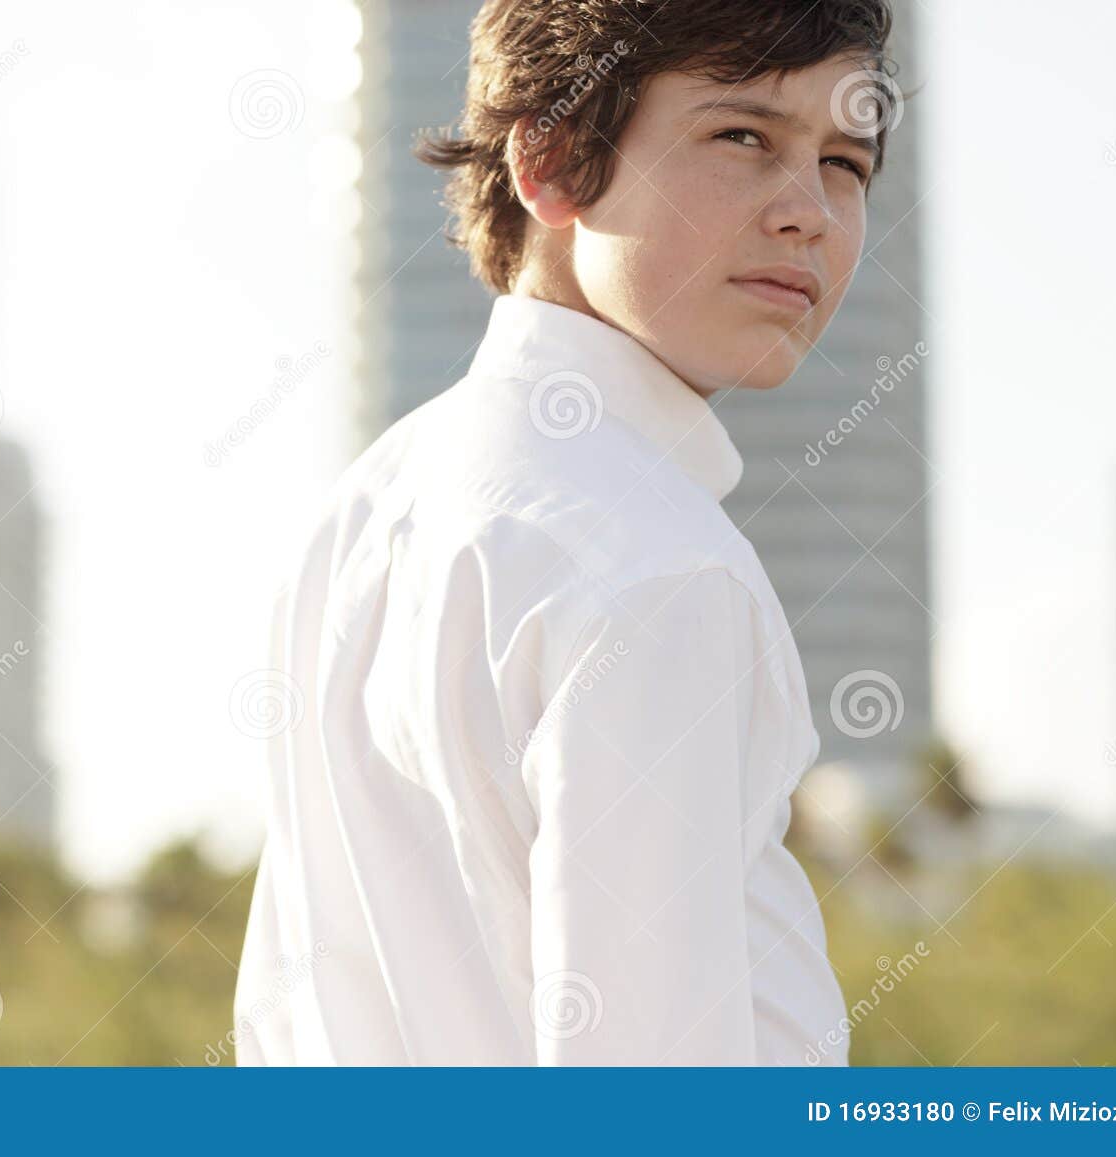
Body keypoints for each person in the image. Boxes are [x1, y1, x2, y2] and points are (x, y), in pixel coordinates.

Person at [233, 0, 899, 1065]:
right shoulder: (658, 567)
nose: (808, 211)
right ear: (548, 159)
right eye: (743, 137)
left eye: (845, 162)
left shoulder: (360, 513)